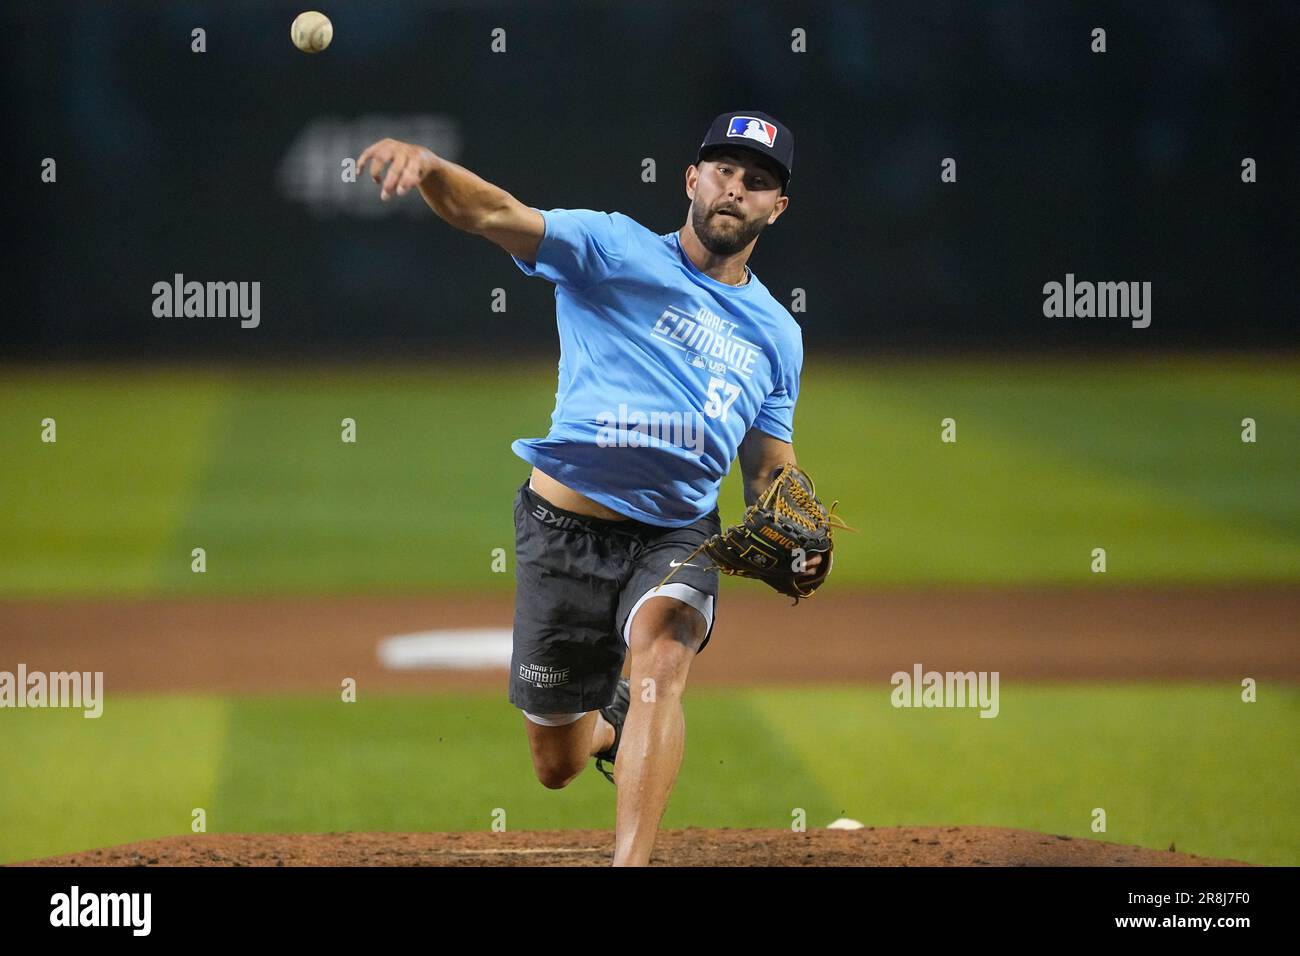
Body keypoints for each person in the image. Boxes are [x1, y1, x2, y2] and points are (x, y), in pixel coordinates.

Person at [358, 110, 820, 866]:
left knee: (663, 659)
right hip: (562, 529)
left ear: (778, 207)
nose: (738, 188)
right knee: (557, 763)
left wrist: (789, 519)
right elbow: (493, 213)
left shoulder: (777, 333)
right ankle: (609, 718)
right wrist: (430, 167)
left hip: (677, 534)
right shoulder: (611, 247)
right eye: (727, 171)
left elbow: (769, 462)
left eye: (759, 181)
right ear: (692, 180)